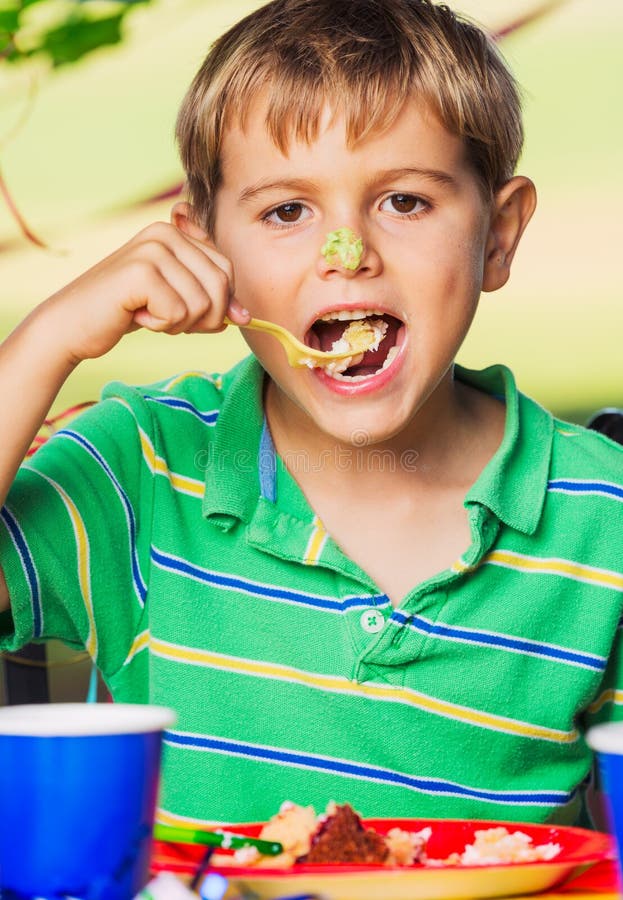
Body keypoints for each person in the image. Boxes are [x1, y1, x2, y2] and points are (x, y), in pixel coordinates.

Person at [1, 0, 621, 832]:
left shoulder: (601, 518)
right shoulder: (144, 467)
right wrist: (45, 342)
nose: (347, 253)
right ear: (207, 250)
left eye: (403, 201)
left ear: (499, 236)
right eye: (286, 211)